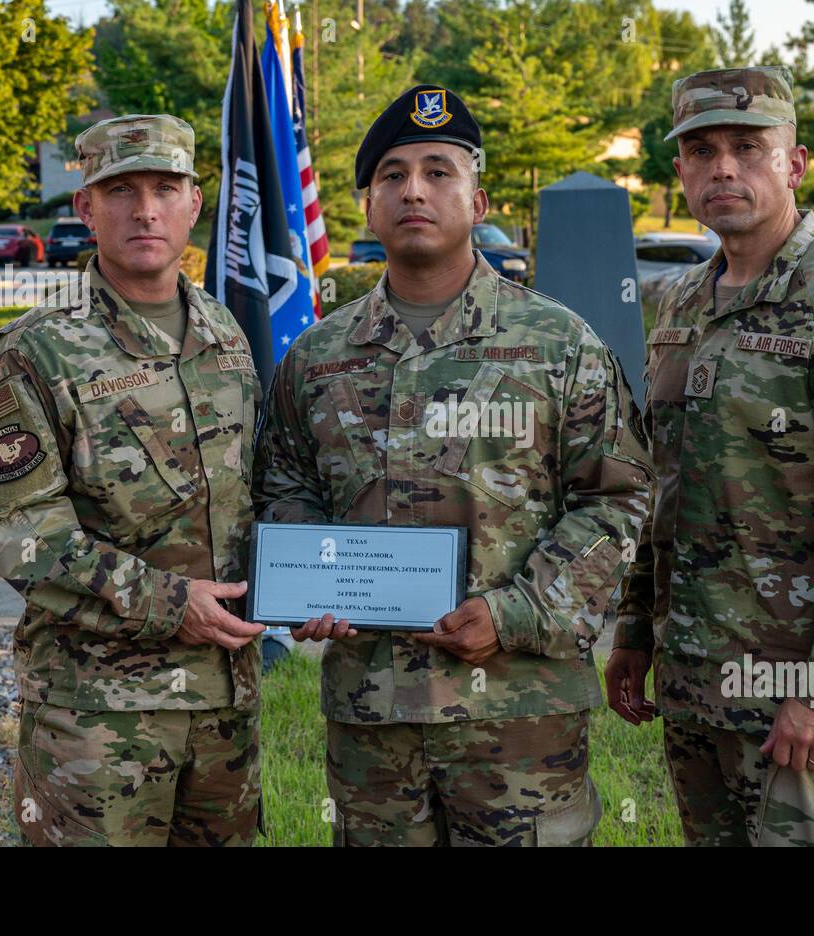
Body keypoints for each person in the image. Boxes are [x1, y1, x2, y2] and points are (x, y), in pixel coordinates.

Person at [258, 85, 654, 846]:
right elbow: (285, 489)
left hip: (519, 716)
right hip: (374, 715)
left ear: (478, 202)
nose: (414, 189)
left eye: (439, 171)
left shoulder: (559, 347)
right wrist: (309, 581)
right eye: (392, 175)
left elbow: (618, 499)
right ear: (368, 207)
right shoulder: (315, 358)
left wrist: (514, 615)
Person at [605, 66, 814, 846]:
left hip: (802, 702)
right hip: (696, 687)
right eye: (702, 150)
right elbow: (663, 485)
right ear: (682, 171)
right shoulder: (683, 301)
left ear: (792, 165)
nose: (724, 167)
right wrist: (633, 630)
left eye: (748, 148)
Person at [0, 114, 267, 846]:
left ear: (195, 203)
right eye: (121, 189)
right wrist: (170, 604)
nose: (145, 210)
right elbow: (20, 533)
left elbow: (251, 496)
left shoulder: (224, 334)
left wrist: (325, 580)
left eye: (166, 188)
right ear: (85, 208)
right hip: (96, 720)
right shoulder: (33, 352)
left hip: (226, 706)